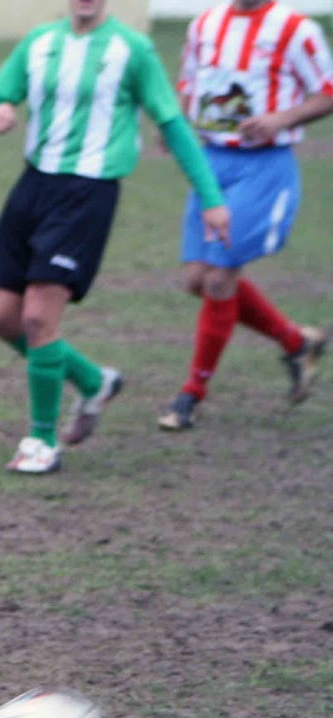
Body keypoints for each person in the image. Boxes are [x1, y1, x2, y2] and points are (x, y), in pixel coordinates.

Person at [0, 0, 231, 474]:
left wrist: (211, 197)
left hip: (87, 194)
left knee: (38, 318)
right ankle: (93, 381)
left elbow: (171, 123)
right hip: (32, 186)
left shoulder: (132, 50)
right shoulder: (40, 42)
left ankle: (42, 441)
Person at [156, 0, 333, 431]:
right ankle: (297, 342)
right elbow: (189, 84)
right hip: (211, 163)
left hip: (265, 167)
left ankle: (191, 394)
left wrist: (282, 118)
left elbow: (328, 90)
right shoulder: (204, 24)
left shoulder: (296, 28)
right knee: (196, 280)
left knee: (220, 278)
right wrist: (174, 124)